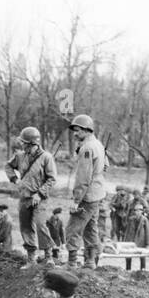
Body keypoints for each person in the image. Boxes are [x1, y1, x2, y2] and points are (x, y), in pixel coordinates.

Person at [4, 126, 58, 264]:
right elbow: (8, 166)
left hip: (40, 199)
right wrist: (15, 179)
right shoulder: (20, 157)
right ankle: (31, 258)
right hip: (24, 198)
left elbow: (52, 179)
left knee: (40, 224)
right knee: (25, 227)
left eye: (24, 143)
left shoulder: (46, 157)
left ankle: (48, 256)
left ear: (32, 143)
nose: (22, 145)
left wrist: (39, 194)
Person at [65, 115, 107, 270]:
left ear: (86, 130)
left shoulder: (87, 148)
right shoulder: (98, 144)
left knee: (72, 228)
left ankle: (71, 264)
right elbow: (105, 166)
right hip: (97, 193)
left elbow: (83, 178)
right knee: (90, 227)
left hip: (87, 196)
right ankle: (89, 262)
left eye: (77, 130)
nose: (74, 134)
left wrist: (76, 200)